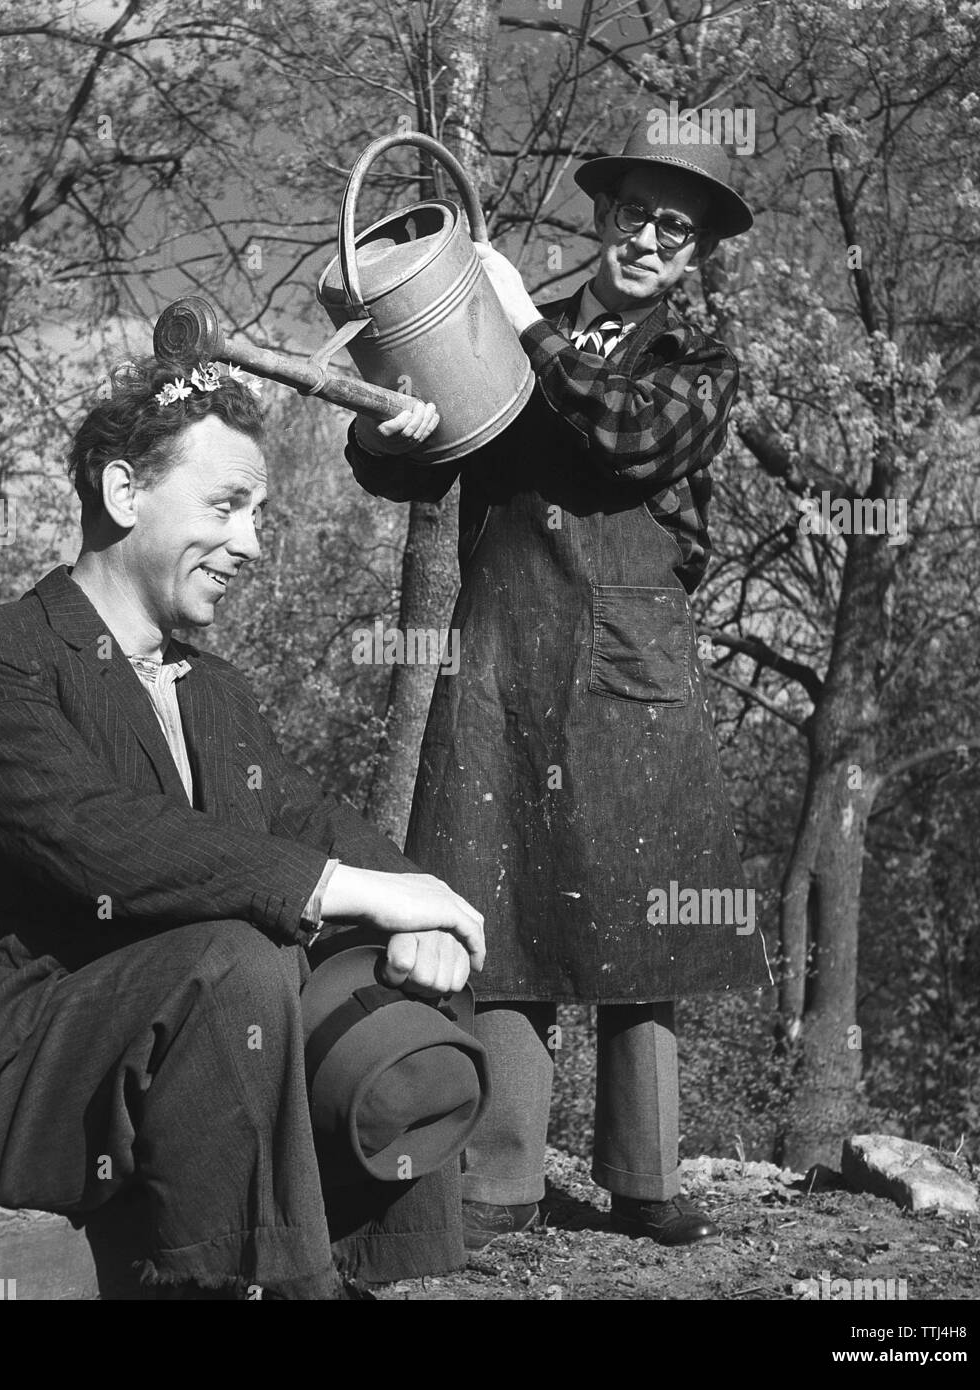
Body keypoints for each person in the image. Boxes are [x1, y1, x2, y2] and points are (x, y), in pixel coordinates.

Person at [0, 357, 485, 1300]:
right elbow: (99, 836)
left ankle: (353, 1272)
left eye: (259, 515)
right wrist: (348, 889)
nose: (252, 543)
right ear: (124, 492)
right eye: (227, 506)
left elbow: (304, 817)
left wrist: (422, 906)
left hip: (158, 1058)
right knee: (236, 957)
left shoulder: (215, 689)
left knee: (398, 943)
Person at [346, 127, 772, 1250]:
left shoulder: (701, 363)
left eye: (671, 229)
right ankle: (499, 1180)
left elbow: (627, 439)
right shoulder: (500, 313)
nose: (645, 238)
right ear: (603, 221)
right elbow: (423, 449)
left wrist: (524, 325)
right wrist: (386, 430)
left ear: (694, 259)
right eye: (631, 214)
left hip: (633, 652)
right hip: (498, 642)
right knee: (499, 901)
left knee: (646, 921)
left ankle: (645, 1180)